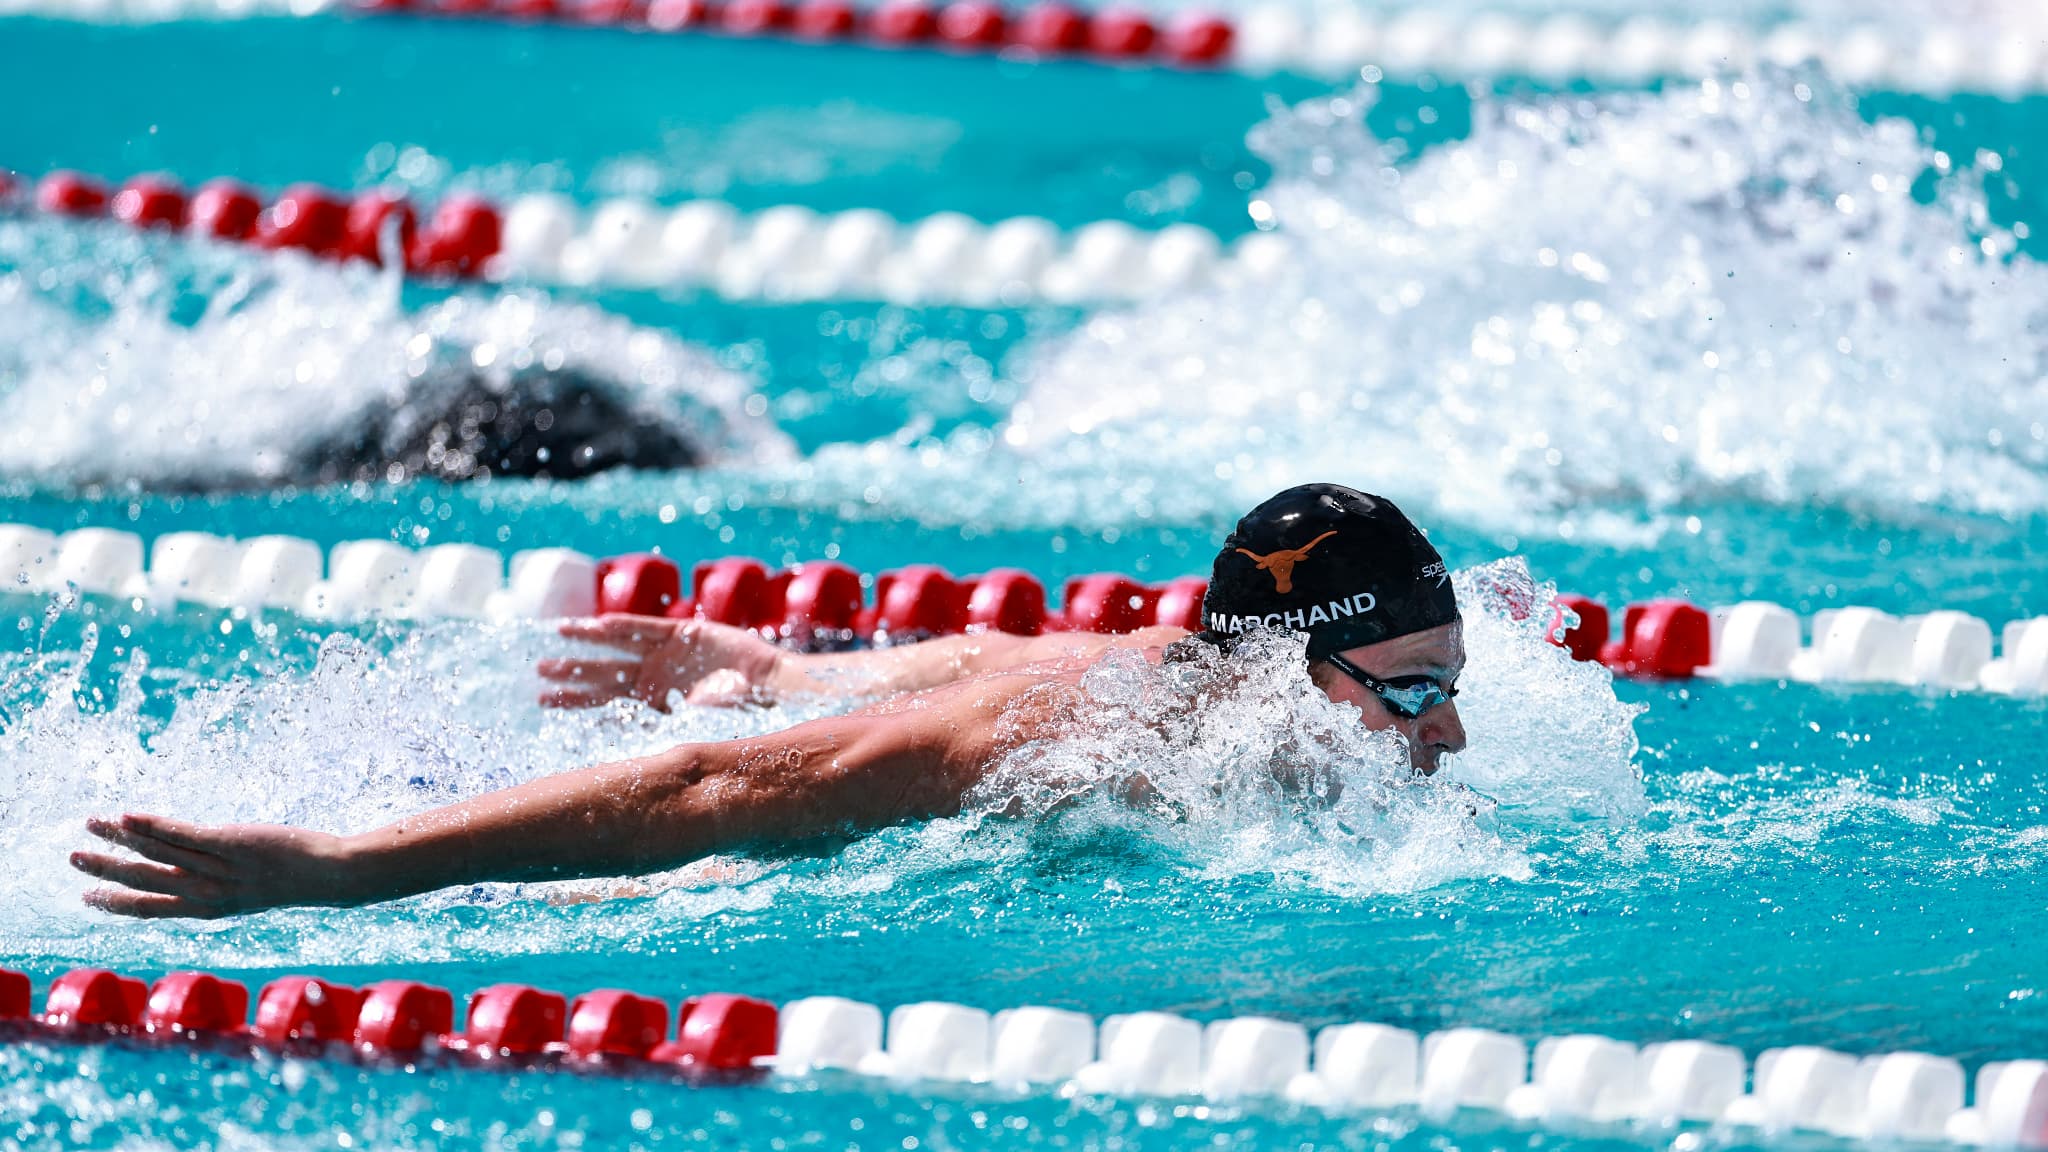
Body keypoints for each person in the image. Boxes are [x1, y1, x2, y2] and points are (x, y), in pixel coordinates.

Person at [71, 483, 1468, 919]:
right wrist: (339, 869)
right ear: (1291, 670)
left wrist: (776, 669)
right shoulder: (1074, 743)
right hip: (652, 861)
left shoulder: (1191, 677)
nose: (1446, 736)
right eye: (1411, 699)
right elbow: (713, 790)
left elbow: (978, 656)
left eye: (1450, 691)